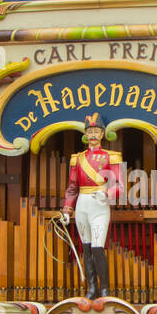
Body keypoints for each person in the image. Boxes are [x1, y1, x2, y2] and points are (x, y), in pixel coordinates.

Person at [61, 112, 122, 299]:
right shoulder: (77, 159)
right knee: (86, 248)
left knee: (97, 248)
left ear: (102, 134)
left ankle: (104, 289)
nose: (93, 135)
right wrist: (67, 208)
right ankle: (92, 288)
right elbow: (72, 187)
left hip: (99, 205)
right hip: (82, 204)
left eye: (96, 131)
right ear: (85, 134)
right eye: (90, 131)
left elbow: (119, 185)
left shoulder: (111, 157)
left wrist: (106, 193)